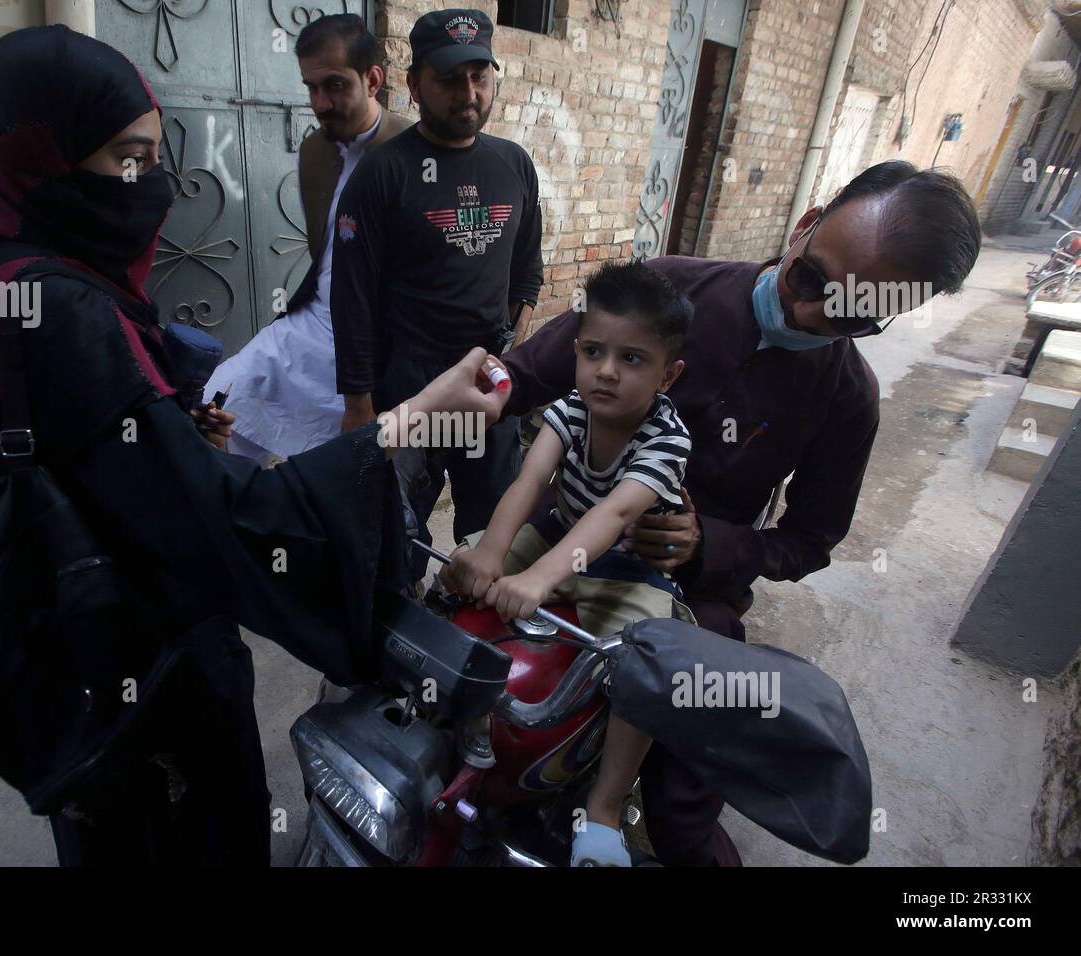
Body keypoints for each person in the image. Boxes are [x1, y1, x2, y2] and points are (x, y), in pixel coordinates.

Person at [0, 24, 506, 866]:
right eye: (125, 158)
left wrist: (161, 427)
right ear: (40, 154)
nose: (148, 185)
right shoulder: (65, 313)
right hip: (141, 661)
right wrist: (405, 421)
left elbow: (72, 453)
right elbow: (234, 520)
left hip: (61, 632)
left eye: (155, 157)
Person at [502, 160, 982, 865]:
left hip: (692, 595)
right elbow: (525, 374)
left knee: (684, 802)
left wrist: (711, 547)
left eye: (853, 312)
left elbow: (812, 538)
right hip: (557, 539)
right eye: (812, 279)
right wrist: (420, 417)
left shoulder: (848, 397)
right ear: (806, 223)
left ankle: (620, 815)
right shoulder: (666, 290)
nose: (813, 313)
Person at [444, 261, 693, 866]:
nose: (605, 371)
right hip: (556, 535)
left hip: (628, 570)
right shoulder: (568, 411)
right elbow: (529, 482)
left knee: (647, 668)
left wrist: (535, 579)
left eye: (632, 359)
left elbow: (609, 519)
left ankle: (605, 807)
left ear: (669, 374)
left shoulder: (668, 441)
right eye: (593, 351)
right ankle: (434, 698)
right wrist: (491, 555)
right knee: (453, 567)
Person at [330, 8, 544, 575]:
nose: (468, 92)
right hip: (409, 389)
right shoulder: (381, 174)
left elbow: (526, 272)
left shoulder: (513, 165)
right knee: (393, 539)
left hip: (487, 389)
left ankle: (479, 642)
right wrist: (358, 407)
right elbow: (349, 298)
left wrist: (508, 357)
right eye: (449, 79)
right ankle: (392, 646)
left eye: (480, 75)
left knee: (496, 534)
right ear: (414, 83)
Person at [204, 15, 413, 463]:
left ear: (373, 79)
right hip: (313, 320)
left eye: (334, 86)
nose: (319, 103)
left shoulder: (413, 150)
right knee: (218, 396)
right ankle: (239, 509)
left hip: (378, 340)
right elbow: (327, 255)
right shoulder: (316, 151)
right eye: (311, 87)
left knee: (343, 468)